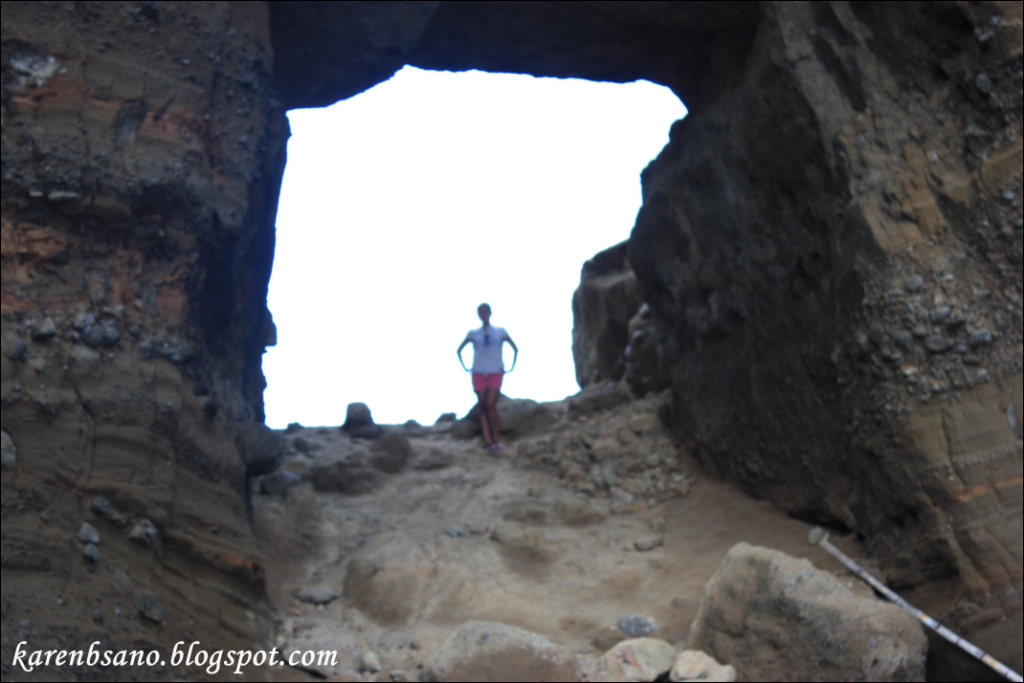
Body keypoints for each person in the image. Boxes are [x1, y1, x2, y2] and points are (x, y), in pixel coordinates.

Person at [457, 303, 518, 453]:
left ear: (490, 313)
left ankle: (495, 439)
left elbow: (515, 348)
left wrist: (509, 368)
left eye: (485, 311)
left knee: (490, 405)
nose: (483, 314)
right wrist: (466, 368)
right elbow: (459, 350)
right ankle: (488, 441)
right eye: (481, 312)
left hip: (495, 371)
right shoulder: (473, 334)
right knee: (482, 406)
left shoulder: (500, 332)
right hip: (478, 372)